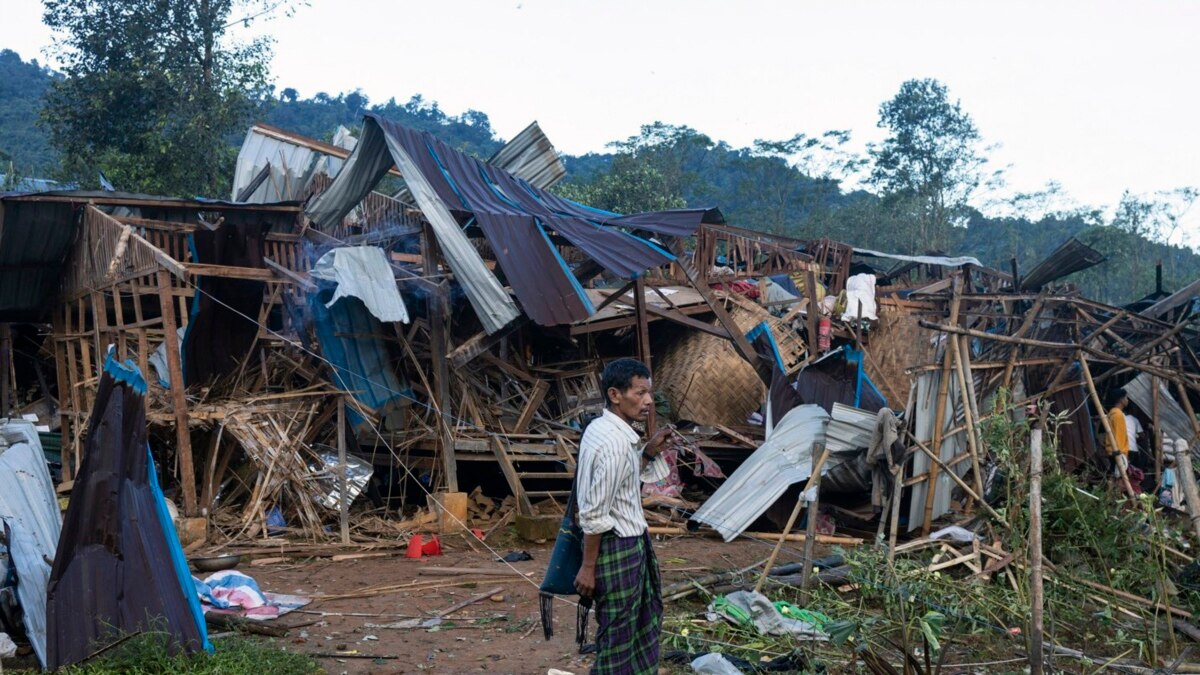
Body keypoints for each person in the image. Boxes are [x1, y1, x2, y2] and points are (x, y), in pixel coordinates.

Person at [574, 358, 675, 675]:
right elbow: (594, 513)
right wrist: (588, 569)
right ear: (615, 395)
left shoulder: (600, 428)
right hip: (619, 548)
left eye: (649, 393)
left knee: (630, 630)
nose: (648, 402)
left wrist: (647, 453)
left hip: (626, 545)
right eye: (640, 393)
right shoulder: (616, 444)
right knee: (619, 639)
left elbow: (620, 485)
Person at [1105, 388, 1131, 479]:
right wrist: (1122, 454)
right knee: (1118, 478)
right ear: (1121, 399)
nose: (1127, 400)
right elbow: (1119, 436)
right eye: (1126, 398)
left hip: (1111, 450)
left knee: (1114, 477)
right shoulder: (1118, 415)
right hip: (1117, 452)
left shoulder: (1111, 414)